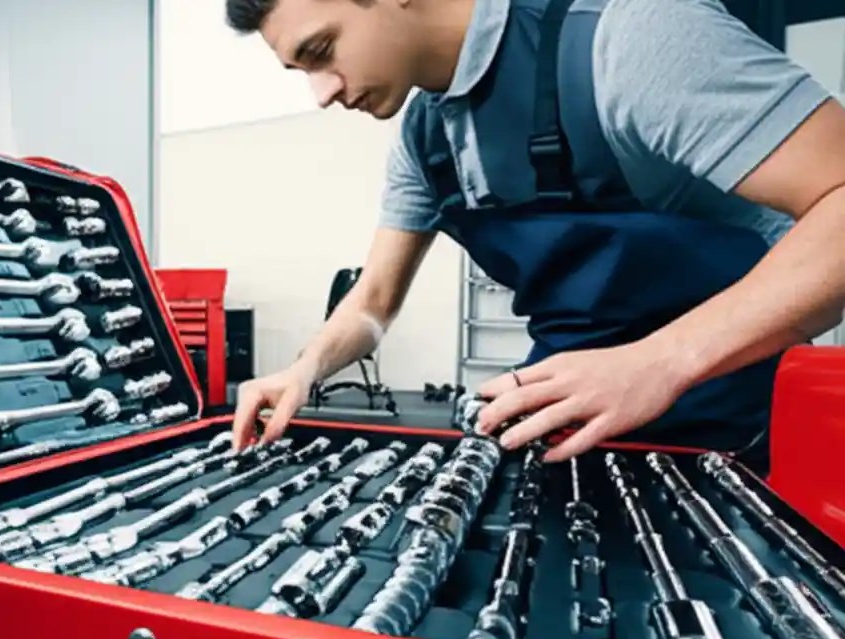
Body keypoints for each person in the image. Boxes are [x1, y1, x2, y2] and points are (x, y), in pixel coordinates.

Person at [226, 0, 845, 467]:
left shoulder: (626, 37)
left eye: (322, 50)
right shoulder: (425, 137)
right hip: (566, 431)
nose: (322, 92)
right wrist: (304, 370)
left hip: (740, 433)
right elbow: (374, 303)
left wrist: (656, 363)